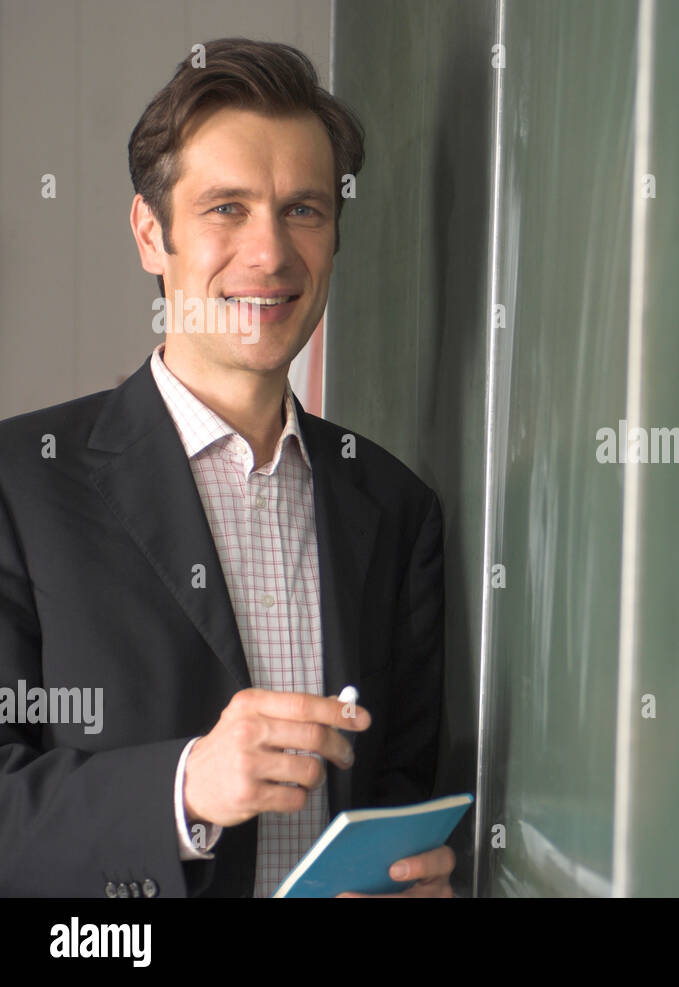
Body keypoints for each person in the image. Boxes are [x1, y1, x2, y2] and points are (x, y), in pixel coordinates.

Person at [0, 38, 454, 897]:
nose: (271, 254)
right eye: (227, 209)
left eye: (304, 210)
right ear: (150, 232)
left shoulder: (397, 510)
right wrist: (184, 789)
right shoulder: (19, 487)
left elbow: (398, 791)